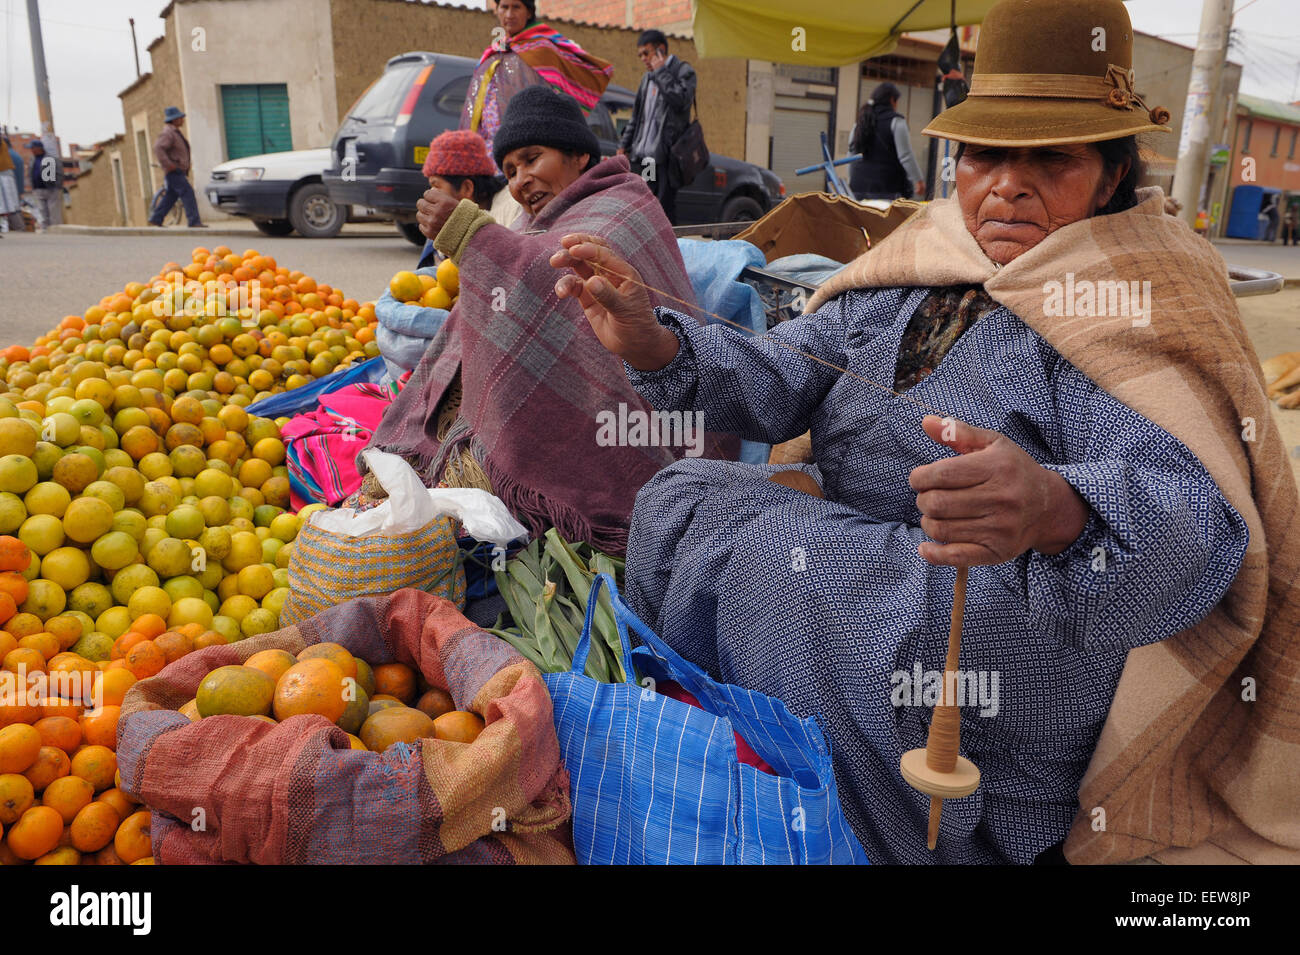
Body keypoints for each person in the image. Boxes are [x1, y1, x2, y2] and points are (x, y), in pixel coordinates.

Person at [552, 0, 1300, 866]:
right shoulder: (920, 262)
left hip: (1010, 611)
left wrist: (1056, 508)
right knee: (677, 499)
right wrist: (654, 338)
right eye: (985, 156)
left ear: (1109, 174)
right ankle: (752, 751)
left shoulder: (1126, 297)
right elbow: (781, 375)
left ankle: (894, 824)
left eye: (1049, 159)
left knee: (871, 608)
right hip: (867, 546)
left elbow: (1198, 529)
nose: (1006, 185)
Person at [363, 85, 728, 555]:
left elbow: (551, 268)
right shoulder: (539, 220)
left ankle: (561, 491)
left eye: (533, 159)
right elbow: (518, 269)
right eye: (510, 171)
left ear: (577, 154)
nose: (519, 181)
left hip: (646, 416)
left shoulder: (623, 201)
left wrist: (470, 234)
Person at [462, 0, 612, 172]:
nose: (509, 14)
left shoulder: (543, 49)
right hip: (489, 150)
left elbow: (566, 91)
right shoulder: (492, 53)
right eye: (504, 7)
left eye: (516, 7)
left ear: (529, 12)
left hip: (528, 145)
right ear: (497, 10)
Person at [617, 29, 697, 225]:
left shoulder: (683, 71)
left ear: (660, 50)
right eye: (640, 55)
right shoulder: (646, 79)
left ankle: (669, 252)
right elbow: (637, 117)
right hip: (646, 160)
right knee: (646, 206)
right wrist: (623, 146)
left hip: (666, 159)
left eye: (647, 53)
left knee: (664, 211)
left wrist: (661, 71)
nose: (643, 59)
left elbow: (681, 101)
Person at [414, 129, 518, 270]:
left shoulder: (511, 209)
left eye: (436, 185)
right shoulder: (444, 218)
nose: (431, 194)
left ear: (467, 188)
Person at [849, 82, 925, 201]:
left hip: (858, 190)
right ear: (892, 100)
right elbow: (905, 156)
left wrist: (853, 181)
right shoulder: (896, 121)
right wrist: (918, 180)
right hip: (887, 190)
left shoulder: (860, 122)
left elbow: (851, 156)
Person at [149, 107, 205, 228]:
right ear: (174, 120)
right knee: (188, 193)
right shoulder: (168, 133)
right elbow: (158, 148)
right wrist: (169, 165)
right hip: (174, 170)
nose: (182, 119)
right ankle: (194, 221)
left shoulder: (174, 132)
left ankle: (156, 218)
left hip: (176, 170)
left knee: (171, 196)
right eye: (180, 118)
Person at [26, 139, 62, 229]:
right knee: (42, 210)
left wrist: (57, 186)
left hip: (51, 189)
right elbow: (30, 173)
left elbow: (59, 173)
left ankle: (55, 229)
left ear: (39, 148)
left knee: (53, 211)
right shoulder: (32, 160)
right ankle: (46, 229)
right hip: (38, 189)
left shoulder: (50, 158)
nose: (31, 150)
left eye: (33, 148)